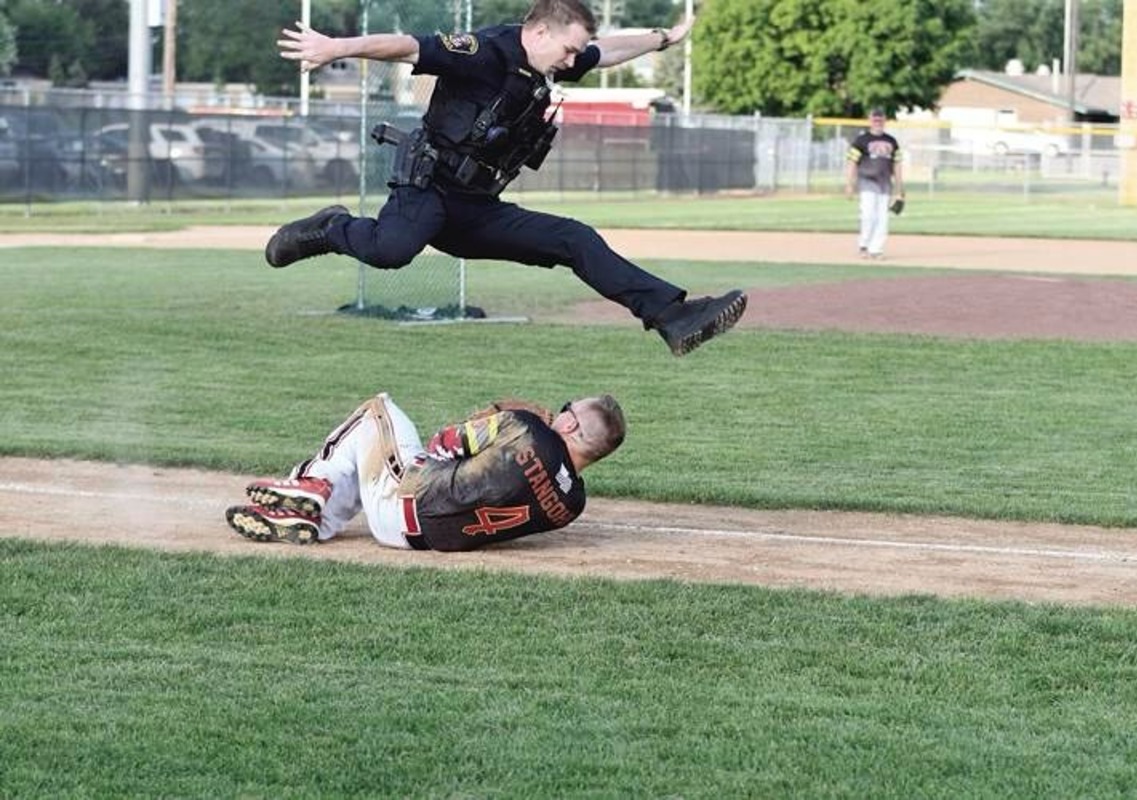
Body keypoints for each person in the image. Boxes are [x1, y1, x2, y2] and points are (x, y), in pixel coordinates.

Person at [265, 0, 746, 357]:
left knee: (574, 238)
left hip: (475, 207)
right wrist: (337, 48)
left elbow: (605, 52)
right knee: (390, 251)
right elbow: (408, 46)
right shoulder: (483, 51)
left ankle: (672, 316)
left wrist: (663, 37)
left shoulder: (550, 57)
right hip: (429, 189)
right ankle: (331, 228)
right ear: (539, 32)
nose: (571, 61)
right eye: (568, 50)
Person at [225, 392, 625, 552]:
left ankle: (311, 483)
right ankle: (317, 519)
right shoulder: (572, 505)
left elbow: (440, 445)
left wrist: (496, 424)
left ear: (571, 424)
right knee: (369, 458)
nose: (560, 410)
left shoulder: (523, 427)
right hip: (420, 540)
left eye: (568, 407)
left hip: (405, 498)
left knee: (376, 410)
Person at [845, 108, 904, 260]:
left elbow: (897, 164)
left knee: (882, 218)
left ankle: (876, 249)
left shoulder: (892, 141)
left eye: (880, 119)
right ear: (869, 121)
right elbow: (852, 162)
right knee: (868, 215)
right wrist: (850, 184)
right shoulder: (861, 140)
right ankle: (864, 245)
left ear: (885, 121)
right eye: (875, 119)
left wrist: (899, 188)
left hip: (885, 184)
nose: (877, 122)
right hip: (867, 181)